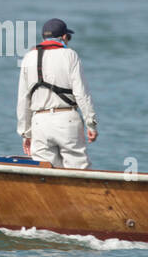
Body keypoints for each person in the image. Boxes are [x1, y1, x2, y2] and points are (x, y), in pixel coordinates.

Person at [17, 18, 98, 168]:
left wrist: (25, 133)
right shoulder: (70, 55)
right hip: (66, 120)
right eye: (69, 37)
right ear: (64, 37)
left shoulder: (28, 57)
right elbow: (82, 94)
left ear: (44, 38)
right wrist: (91, 124)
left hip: (39, 123)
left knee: (45, 175)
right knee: (78, 174)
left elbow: (23, 99)